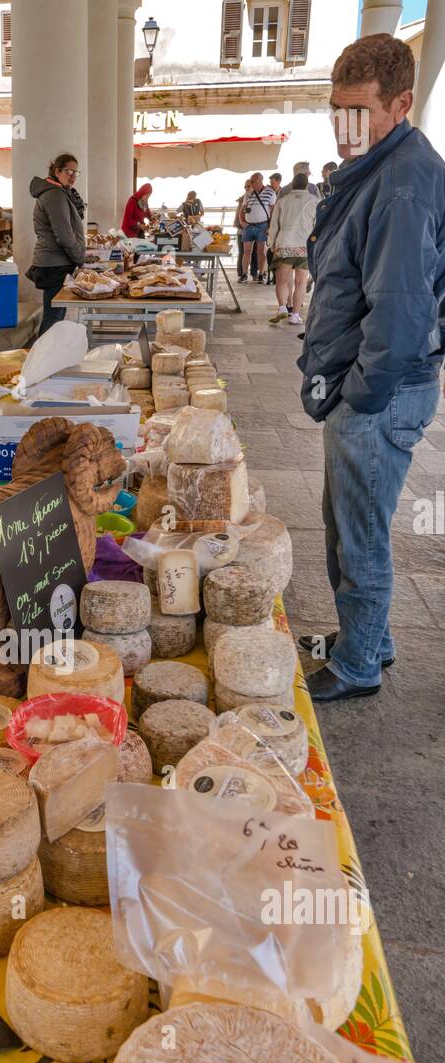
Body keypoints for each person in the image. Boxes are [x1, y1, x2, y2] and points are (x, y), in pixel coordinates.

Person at [297, 34, 445, 703]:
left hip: (378, 393)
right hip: (363, 387)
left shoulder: (400, 183)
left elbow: (399, 311)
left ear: (401, 103)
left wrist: (355, 397)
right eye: (334, 109)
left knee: (358, 536)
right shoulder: (380, 166)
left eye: (356, 110)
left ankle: (357, 666)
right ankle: (368, 641)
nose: (342, 125)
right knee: (347, 522)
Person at [27, 153, 86, 337]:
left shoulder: (60, 193)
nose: (73, 176)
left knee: (56, 314)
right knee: (53, 316)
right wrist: (80, 258)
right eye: (69, 171)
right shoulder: (54, 194)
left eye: (76, 172)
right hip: (54, 263)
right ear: (57, 170)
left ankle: (47, 358)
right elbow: (64, 235)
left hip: (57, 261)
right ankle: (41, 361)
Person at [267, 173, 318, 326]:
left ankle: (282, 307)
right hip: (304, 245)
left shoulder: (282, 201)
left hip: (285, 244)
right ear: (307, 185)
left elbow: (274, 225)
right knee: (301, 282)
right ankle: (295, 315)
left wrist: (271, 244)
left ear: (292, 185)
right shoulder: (315, 201)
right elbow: (318, 226)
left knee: (282, 280)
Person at [241, 172, 276, 282]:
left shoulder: (270, 193)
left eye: (252, 181)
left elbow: (274, 211)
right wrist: (241, 221)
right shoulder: (248, 193)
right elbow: (243, 209)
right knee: (246, 251)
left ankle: (261, 274)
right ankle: (244, 274)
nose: (250, 184)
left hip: (263, 225)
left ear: (260, 181)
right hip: (248, 226)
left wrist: (270, 227)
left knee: (261, 251)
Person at [235, 178, 258, 283]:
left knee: (255, 253)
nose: (246, 188)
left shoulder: (258, 197)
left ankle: (254, 273)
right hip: (243, 229)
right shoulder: (243, 198)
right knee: (242, 252)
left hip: (256, 228)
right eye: (245, 186)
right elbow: (238, 214)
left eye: (248, 186)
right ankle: (242, 274)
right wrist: (240, 224)